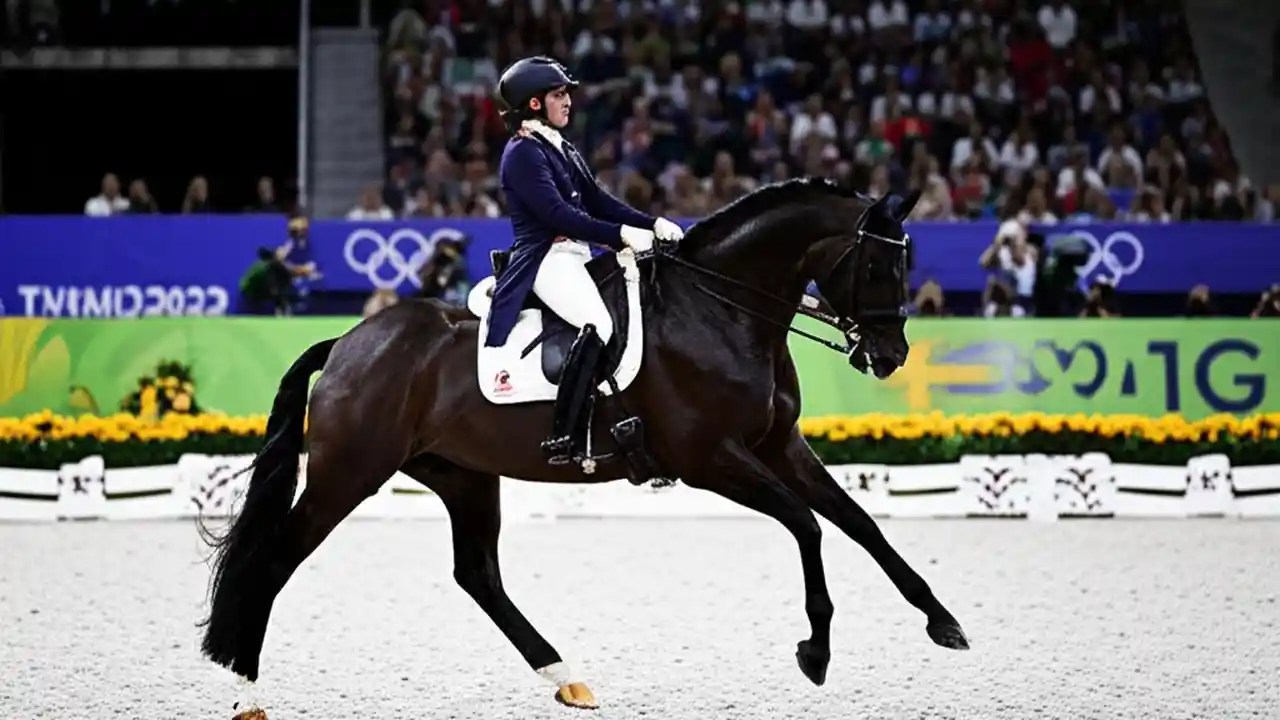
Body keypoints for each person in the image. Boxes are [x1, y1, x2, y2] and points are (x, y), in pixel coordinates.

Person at [485, 56, 686, 466]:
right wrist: (619, 236)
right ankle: (564, 434)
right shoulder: (522, 153)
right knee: (599, 324)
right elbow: (557, 215)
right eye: (559, 95)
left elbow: (596, 201)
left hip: (576, 254)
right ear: (535, 103)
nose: (568, 102)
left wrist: (652, 223)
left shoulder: (559, 147)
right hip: (545, 258)